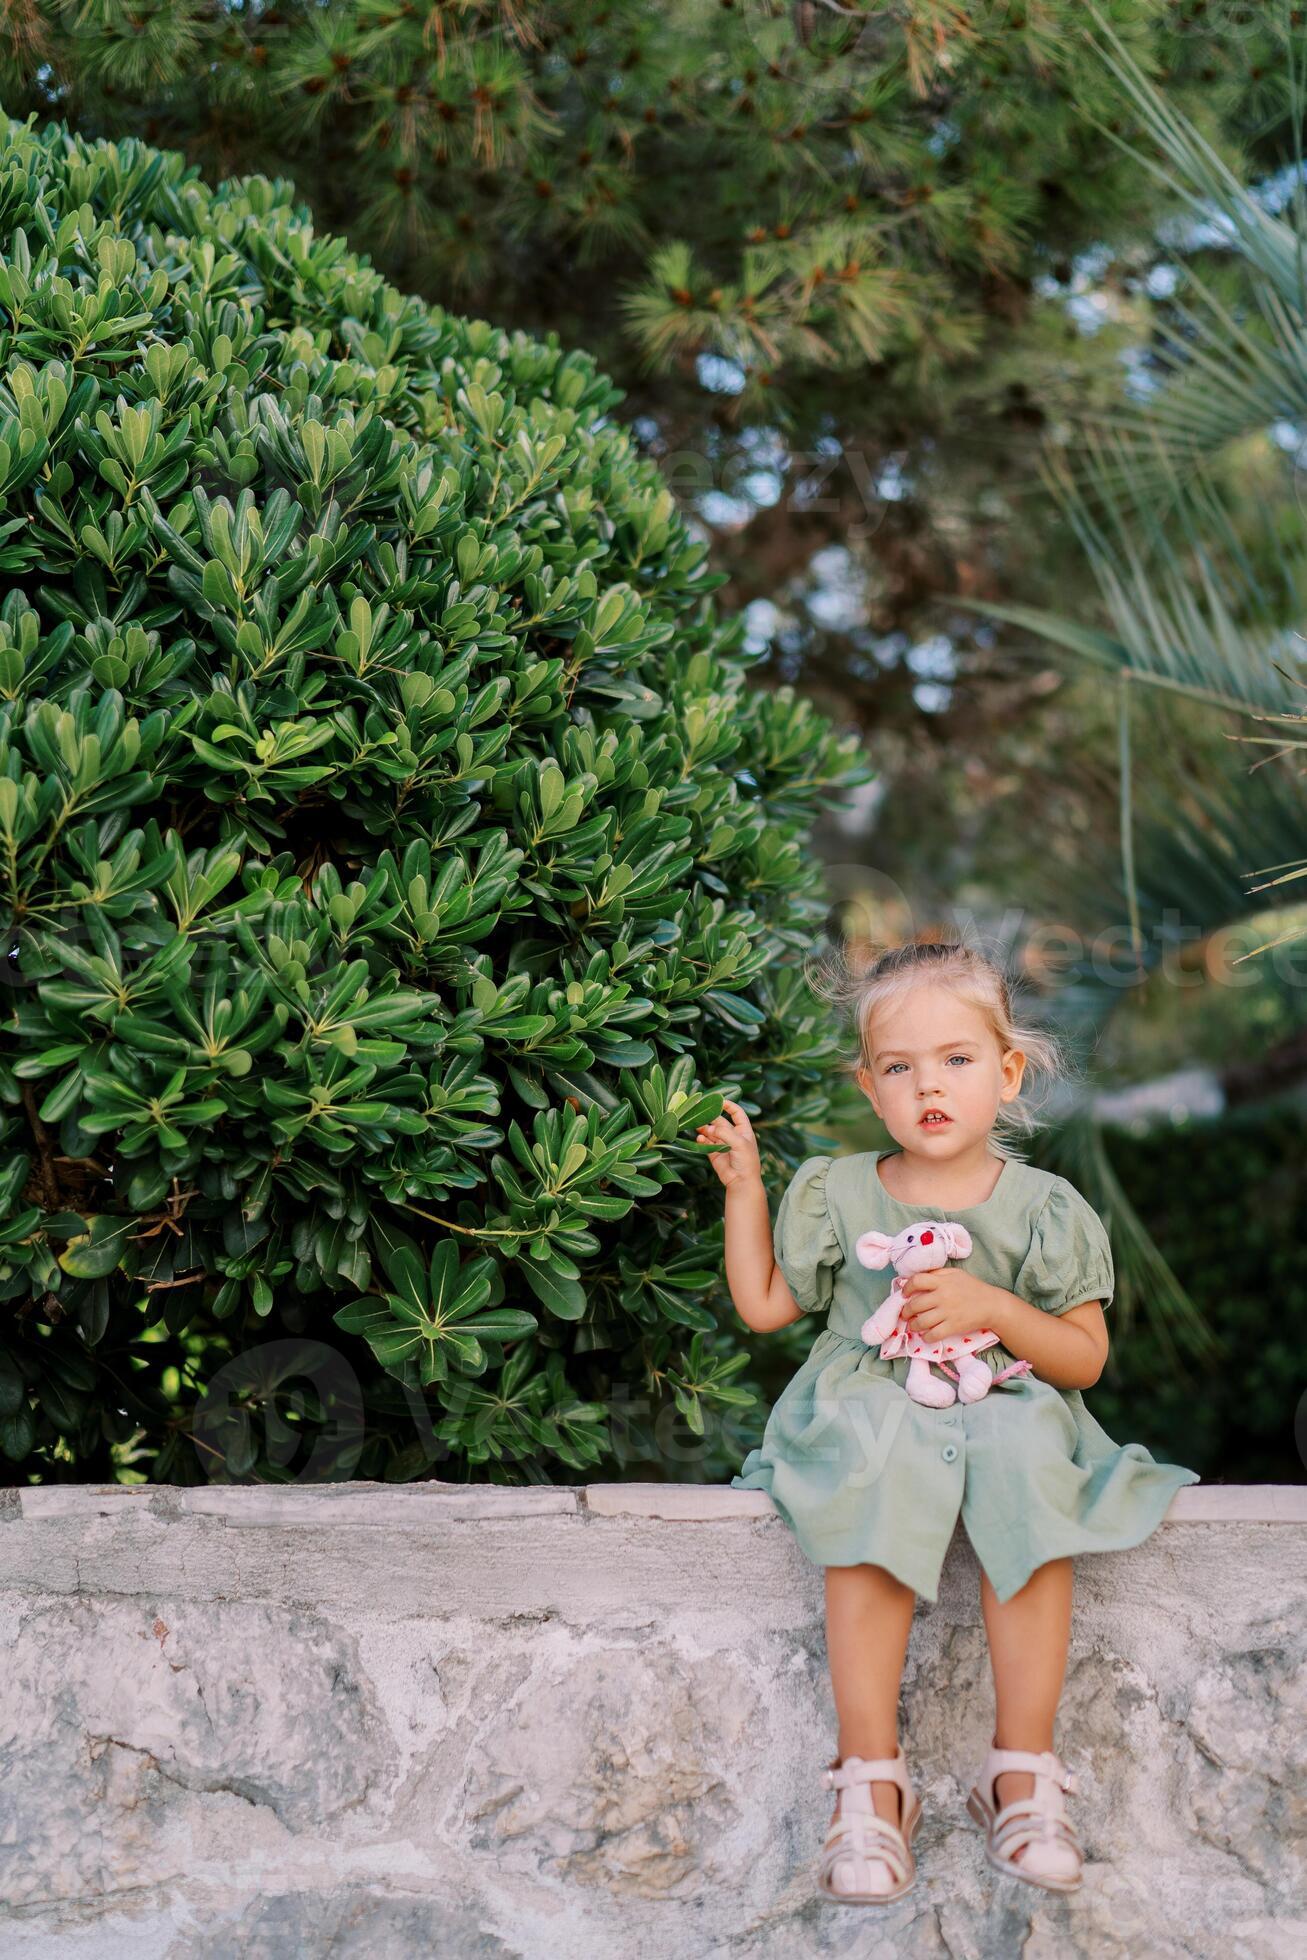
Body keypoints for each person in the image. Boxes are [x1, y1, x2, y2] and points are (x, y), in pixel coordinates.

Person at [697, 932, 1200, 1907]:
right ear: (868, 1086)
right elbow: (764, 1305)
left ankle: (1019, 1772)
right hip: (866, 1401)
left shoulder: (1045, 1207)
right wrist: (746, 1190)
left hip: (997, 1397)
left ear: (1006, 1072)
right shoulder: (836, 1193)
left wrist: (996, 1311)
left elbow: (1082, 1358)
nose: (928, 1085)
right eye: (898, 1066)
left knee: (1027, 1462)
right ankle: (869, 1786)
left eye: (956, 1059)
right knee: (868, 1464)